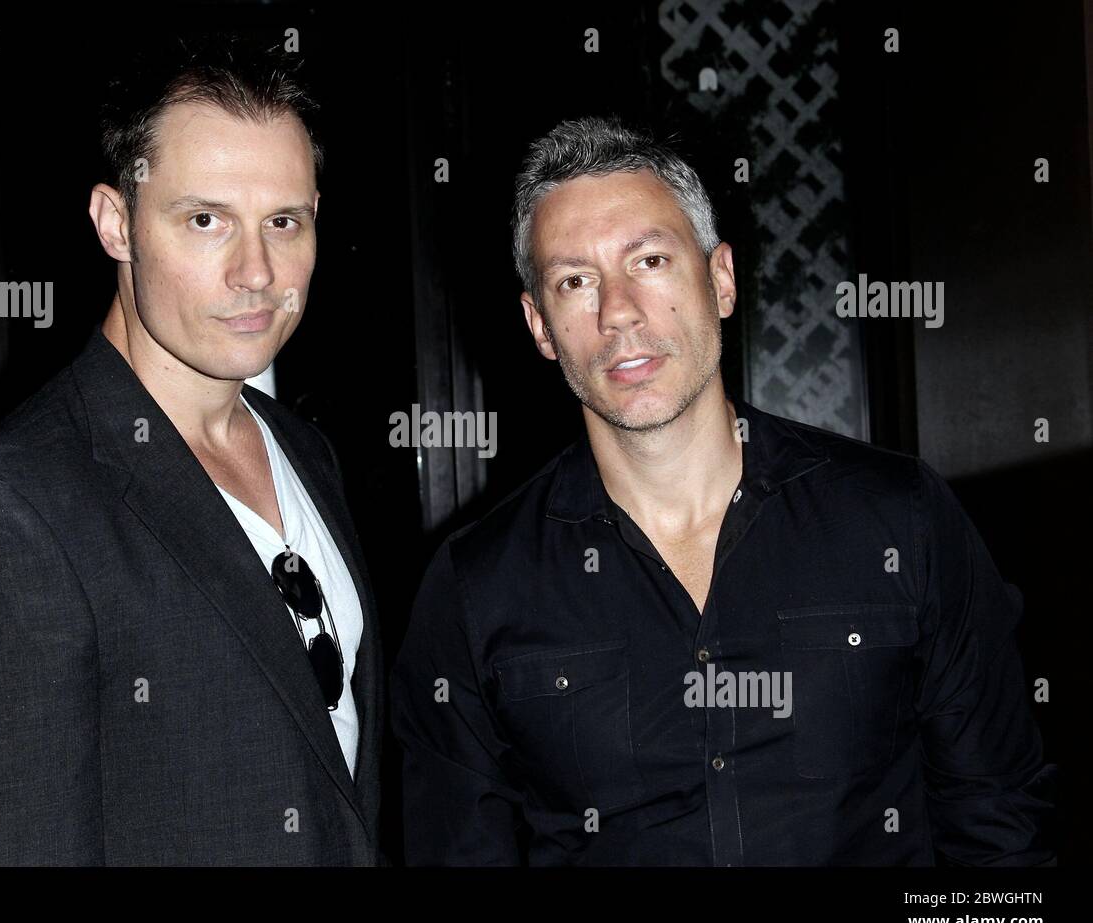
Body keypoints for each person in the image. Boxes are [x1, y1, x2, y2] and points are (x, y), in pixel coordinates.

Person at [390, 116, 1056, 865]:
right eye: (574, 281)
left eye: (649, 260)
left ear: (722, 279)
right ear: (540, 324)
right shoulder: (474, 587)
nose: (618, 312)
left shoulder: (900, 517)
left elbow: (1001, 837)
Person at [0, 35, 382, 865]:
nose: (257, 271)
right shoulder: (5, 516)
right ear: (117, 223)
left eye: (284, 221)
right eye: (206, 220)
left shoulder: (306, 452)